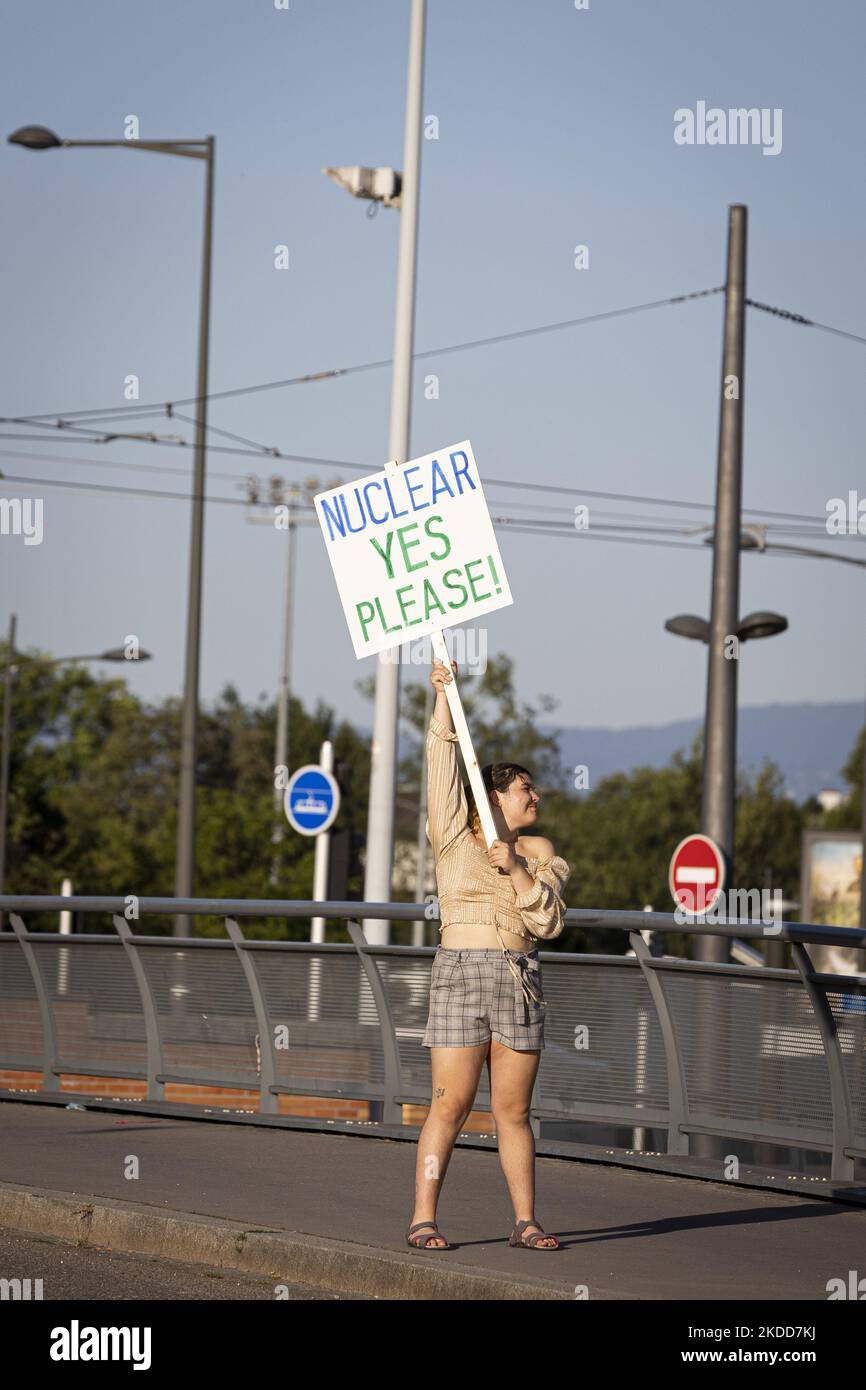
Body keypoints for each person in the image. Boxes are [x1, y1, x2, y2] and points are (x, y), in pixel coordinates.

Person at [406, 655, 571, 1253]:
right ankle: (424, 1218)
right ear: (497, 793)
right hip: (459, 974)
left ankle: (525, 1220)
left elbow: (549, 921)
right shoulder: (453, 833)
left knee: (513, 1111)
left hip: (518, 976)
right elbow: (441, 762)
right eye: (527, 787)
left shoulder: (538, 848)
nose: (538, 795)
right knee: (448, 1104)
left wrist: (520, 868)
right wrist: (445, 695)